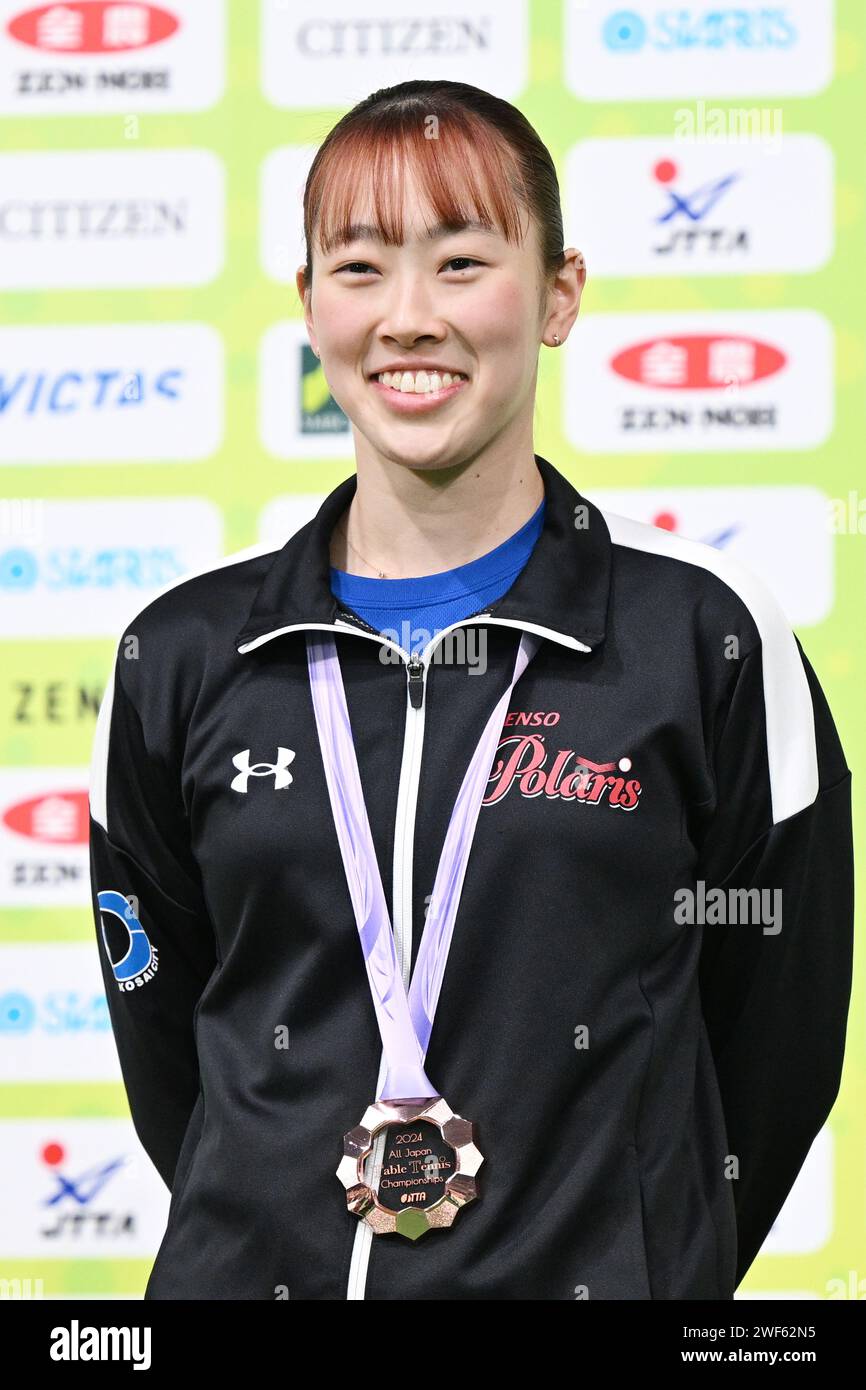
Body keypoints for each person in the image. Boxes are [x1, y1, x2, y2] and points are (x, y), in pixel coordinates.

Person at [88, 79, 854, 1301]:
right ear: (306, 305)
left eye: (459, 261)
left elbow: (775, 1048)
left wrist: (644, 1261)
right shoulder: (181, 652)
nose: (406, 317)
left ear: (557, 295)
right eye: (358, 266)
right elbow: (173, 1053)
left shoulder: (700, 636)